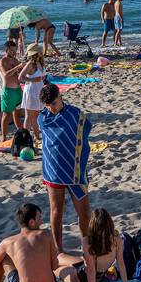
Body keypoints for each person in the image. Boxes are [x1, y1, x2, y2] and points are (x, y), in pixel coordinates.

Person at [37, 84, 92, 252]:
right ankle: (58, 249)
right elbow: (48, 143)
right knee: (56, 211)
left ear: (60, 97)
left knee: (84, 212)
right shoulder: (43, 118)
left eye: (53, 103)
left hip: (75, 171)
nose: (51, 108)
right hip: (53, 171)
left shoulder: (75, 115)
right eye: (48, 105)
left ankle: (87, 246)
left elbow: (84, 135)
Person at [57, 207, 130, 282]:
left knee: (55, 269)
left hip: (83, 278)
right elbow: (121, 263)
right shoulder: (116, 238)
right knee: (60, 256)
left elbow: (91, 270)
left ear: (92, 225)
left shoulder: (88, 241)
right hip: (90, 271)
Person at [0, 39, 24, 142]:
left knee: (17, 113)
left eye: (15, 50)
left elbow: (22, 72)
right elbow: (6, 74)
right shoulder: (2, 61)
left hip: (18, 91)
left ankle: (20, 131)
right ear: (6, 49)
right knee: (7, 114)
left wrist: (23, 65)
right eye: (12, 50)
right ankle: (4, 137)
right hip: (8, 92)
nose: (14, 52)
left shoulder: (15, 60)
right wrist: (17, 67)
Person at [19, 44, 47, 140]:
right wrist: (32, 80)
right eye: (39, 51)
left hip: (39, 90)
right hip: (31, 91)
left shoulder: (40, 62)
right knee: (28, 116)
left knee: (36, 115)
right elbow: (20, 77)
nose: (41, 52)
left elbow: (41, 77)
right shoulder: (30, 64)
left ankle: (36, 135)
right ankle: (25, 137)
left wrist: (42, 80)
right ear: (36, 53)